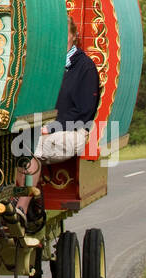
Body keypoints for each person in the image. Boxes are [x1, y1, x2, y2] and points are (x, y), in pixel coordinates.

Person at [8, 16, 100, 228]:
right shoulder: (47, 65)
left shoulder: (84, 68)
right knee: (13, 144)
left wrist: (52, 126)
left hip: (73, 131)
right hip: (42, 128)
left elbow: (84, 112)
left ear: (74, 36)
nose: (61, 39)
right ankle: (24, 199)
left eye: (65, 34)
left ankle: (21, 207)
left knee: (30, 147)